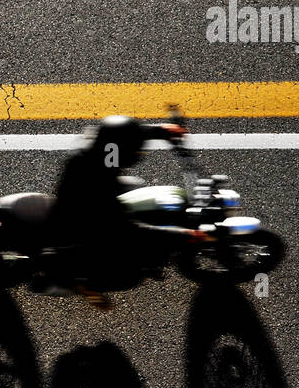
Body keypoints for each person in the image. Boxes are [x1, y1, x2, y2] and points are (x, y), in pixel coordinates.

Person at [43, 115, 208, 308]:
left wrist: (163, 131)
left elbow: (121, 135)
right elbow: (127, 228)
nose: (139, 153)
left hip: (87, 202)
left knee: (135, 187)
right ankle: (82, 282)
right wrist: (180, 235)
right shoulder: (97, 178)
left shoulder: (102, 150)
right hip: (84, 222)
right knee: (128, 272)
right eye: (135, 150)